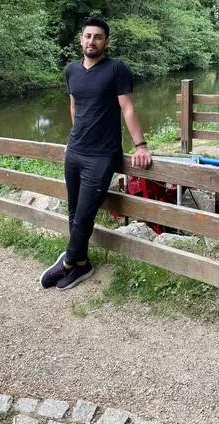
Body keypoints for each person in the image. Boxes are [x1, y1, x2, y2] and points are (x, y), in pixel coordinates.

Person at [40, 15, 152, 290]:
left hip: (102, 155)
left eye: (98, 37)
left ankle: (67, 262)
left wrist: (140, 145)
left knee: (85, 213)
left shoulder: (117, 70)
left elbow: (128, 109)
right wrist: (74, 136)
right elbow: (75, 106)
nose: (92, 41)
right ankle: (82, 264)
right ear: (81, 39)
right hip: (75, 151)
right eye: (88, 36)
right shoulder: (71, 70)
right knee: (73, 211)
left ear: (106, 42)